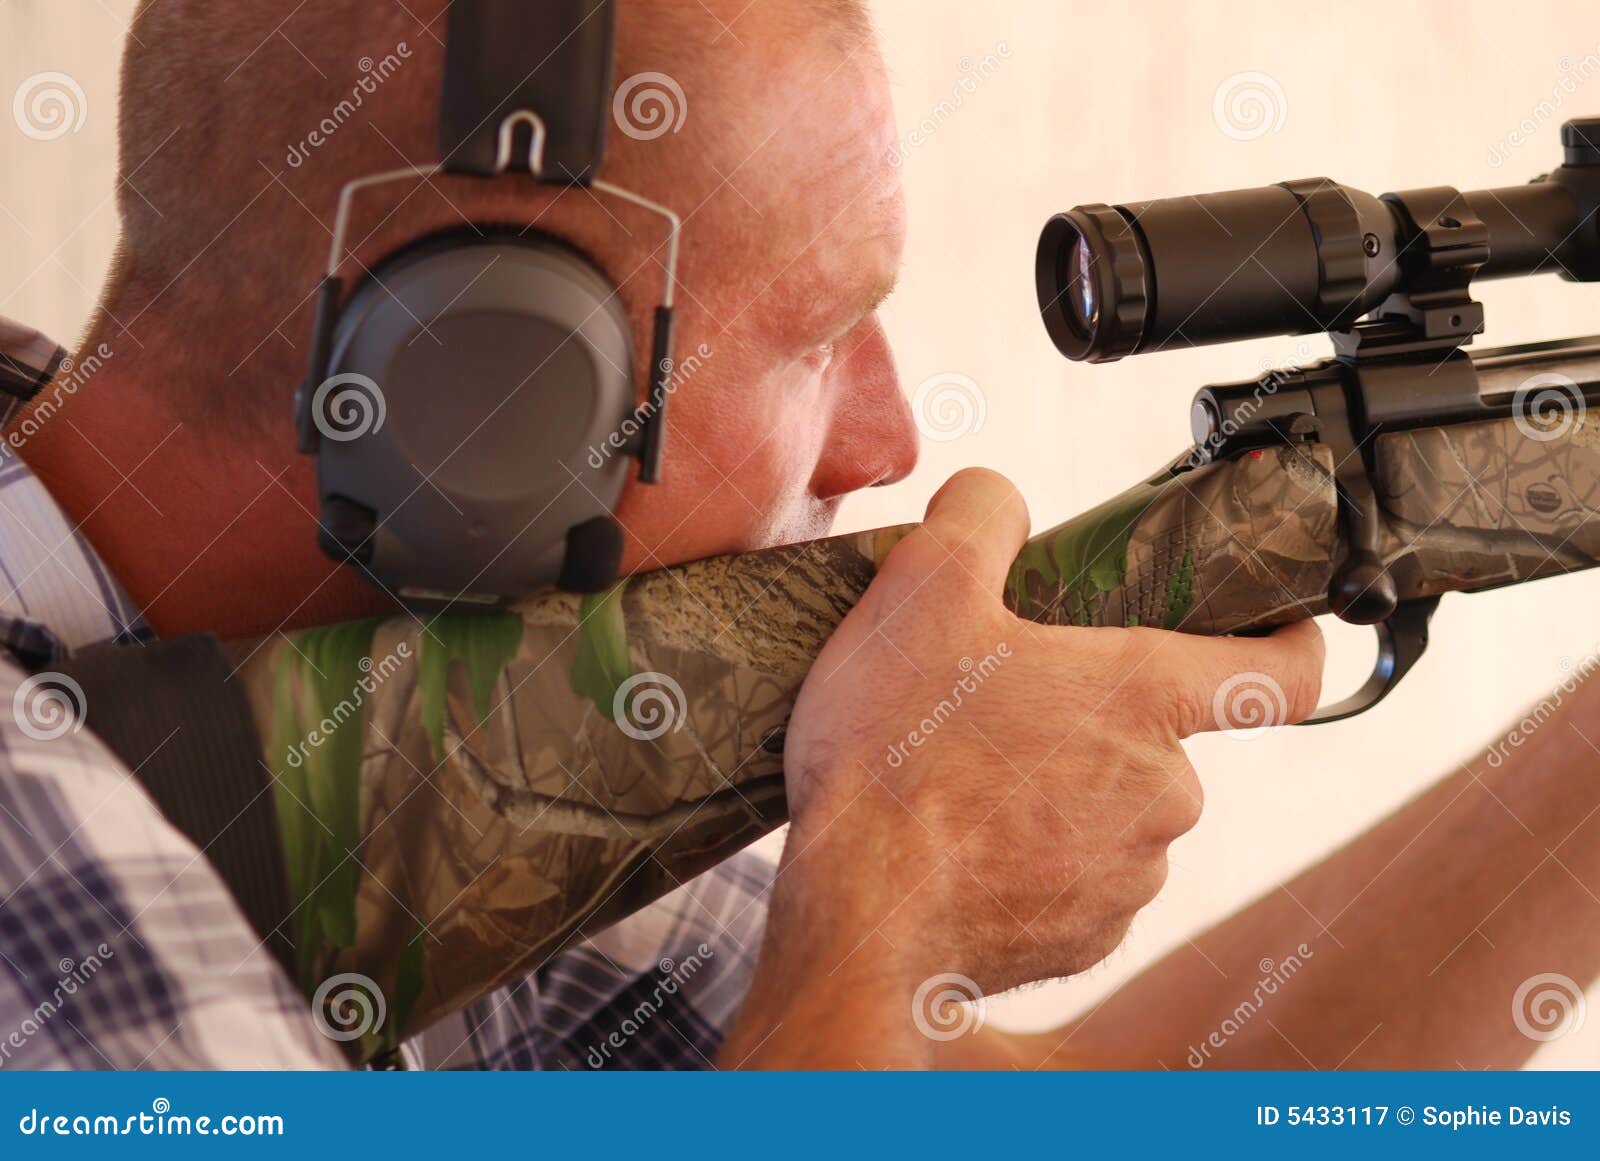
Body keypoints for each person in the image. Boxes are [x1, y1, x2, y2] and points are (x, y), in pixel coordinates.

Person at [0, 0, 1592, 1070]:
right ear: (479, 379)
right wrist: (901, 882)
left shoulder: (413, 733)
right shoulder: (33, 853)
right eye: (823, 336)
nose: (886, 441)